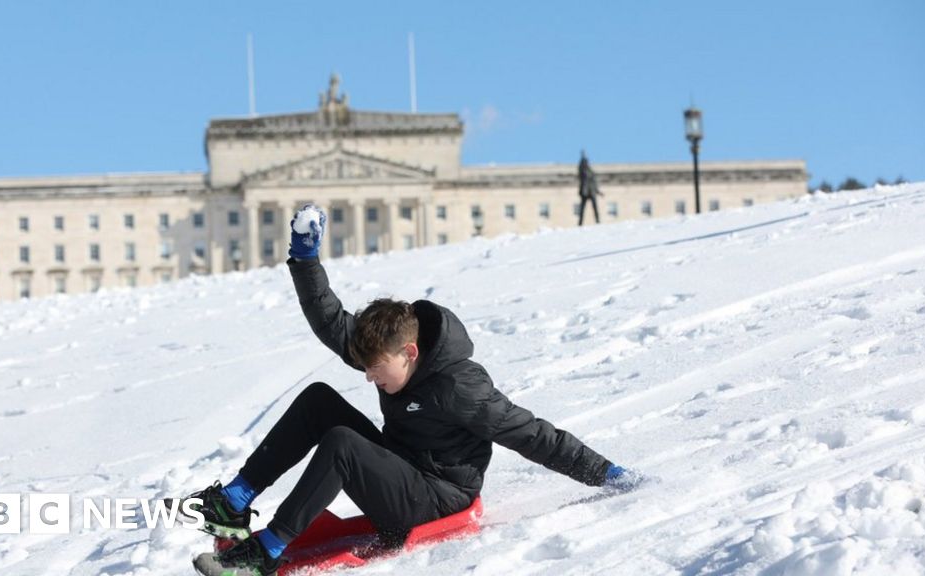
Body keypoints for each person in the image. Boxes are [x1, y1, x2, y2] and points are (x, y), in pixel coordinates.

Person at [187, 205, 633, 575]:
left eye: (375, 369)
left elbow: (532, 434)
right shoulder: (387, 351)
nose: (369, 377)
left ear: (410, 352)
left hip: (437, 499)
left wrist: (608, 473)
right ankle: (235, 499)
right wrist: (305, 260)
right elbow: (331, 321)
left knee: (343, 444)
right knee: (318, 400)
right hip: (403, 470)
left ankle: (265, 553)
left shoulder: (460, 387)